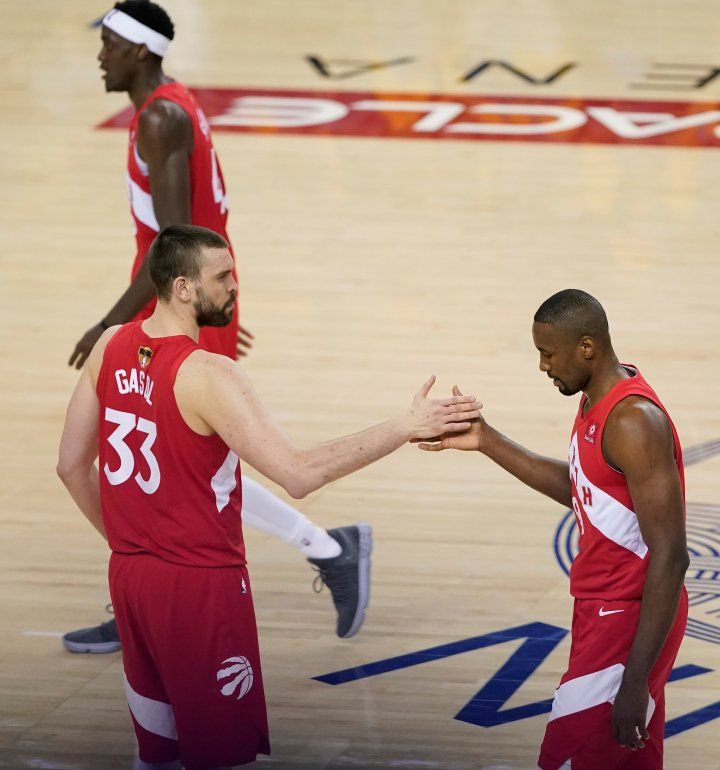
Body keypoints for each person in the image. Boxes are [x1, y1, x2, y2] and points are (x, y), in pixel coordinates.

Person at [57, 224, 481, 770]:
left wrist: (132, 544)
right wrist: (407, 426)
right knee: (221, 756)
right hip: (199, 591)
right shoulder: (210, 374)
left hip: (130, 579)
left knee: (157, 753)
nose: (236, 285)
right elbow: (299, 473)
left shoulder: (109, 345)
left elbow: (70, 466)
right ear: (183, 287)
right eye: (224, 276)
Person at [64, 0, 369, 650]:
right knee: (164, 457)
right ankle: (319, 550)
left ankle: (323, 548)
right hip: (181, 296)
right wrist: (219, 307)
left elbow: (175, 242)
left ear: (140, 53)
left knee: (187, 465)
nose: (100, 55)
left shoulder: (163, 117)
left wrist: (110, 327)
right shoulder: (169, 103)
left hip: (171, 299)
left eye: (111, 44)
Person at [418, 289, 689, 770]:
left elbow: (671, 556)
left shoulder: (633, 422)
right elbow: (585, 489)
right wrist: (486, 438)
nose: (543, 366)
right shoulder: (597, 400)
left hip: (626, 619)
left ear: (586, 347)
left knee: (567, 759)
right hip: (606, 611)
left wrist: (633, 679)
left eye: (548, 354)